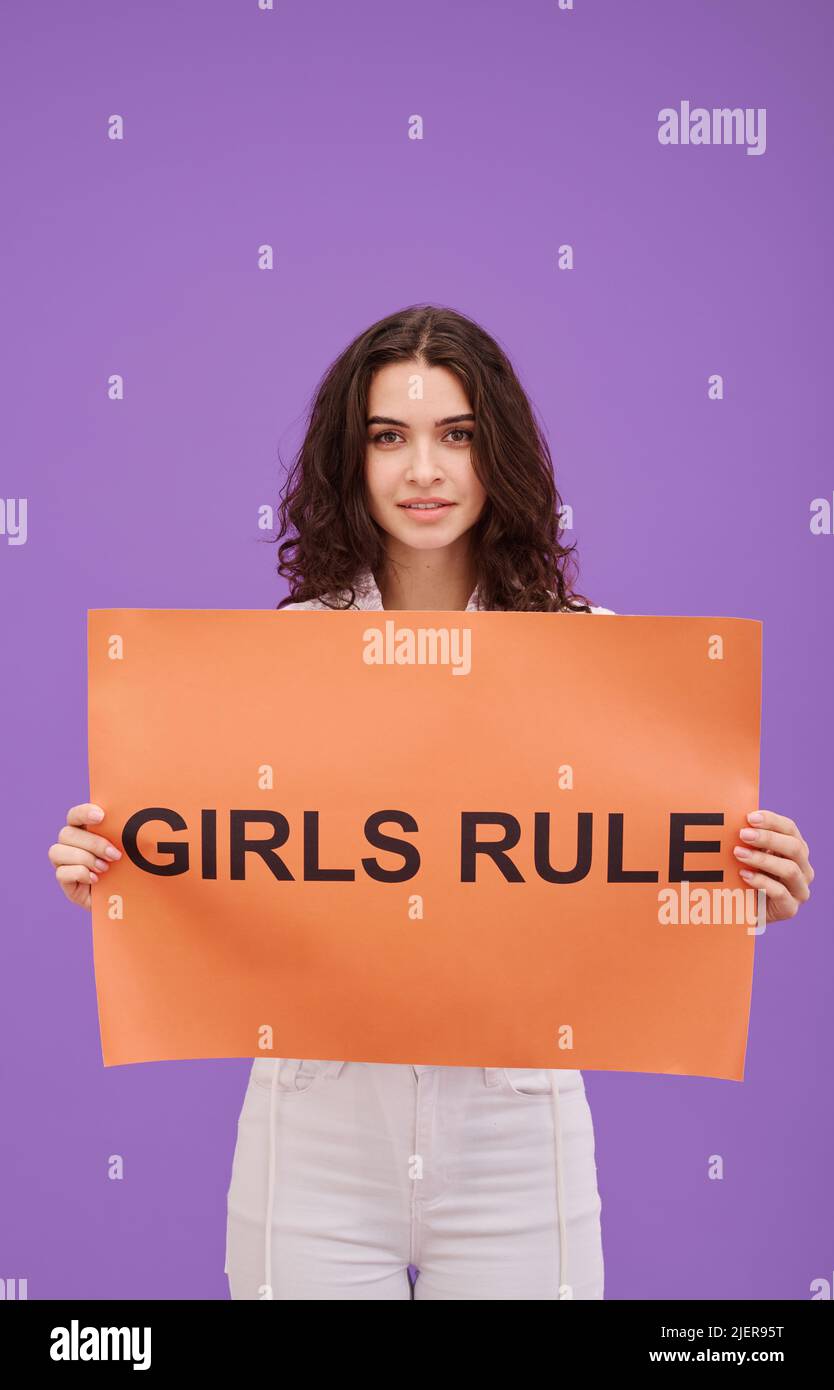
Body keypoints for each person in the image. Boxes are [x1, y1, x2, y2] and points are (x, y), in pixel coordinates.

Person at [48, 305, 815, 1301]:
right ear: (351, 460)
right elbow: (226, 857)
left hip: (517, 1125)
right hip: (313, 1125)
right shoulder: (276, 661)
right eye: (389, 437)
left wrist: (746, 880)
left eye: (456, 435)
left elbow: (632, 865)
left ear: (495, 451)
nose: (424, 471)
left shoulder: (598, 659)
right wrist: (122, 878)